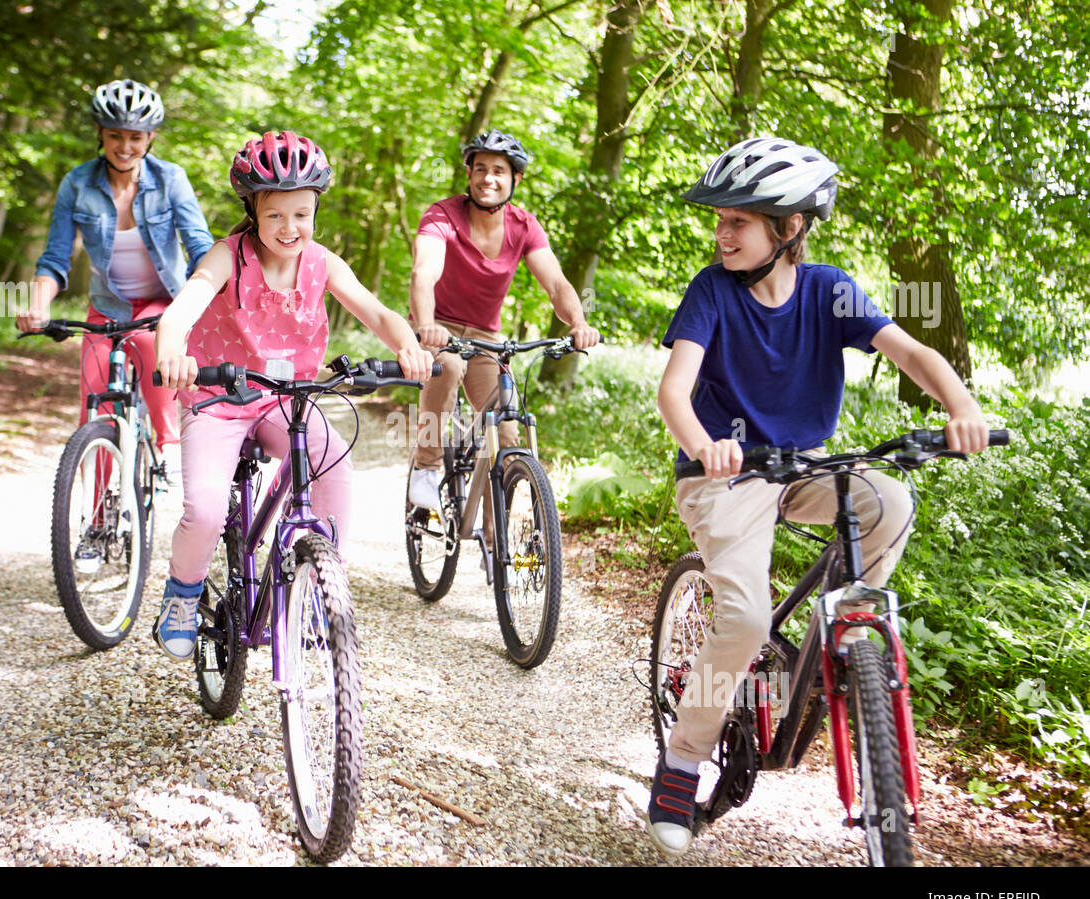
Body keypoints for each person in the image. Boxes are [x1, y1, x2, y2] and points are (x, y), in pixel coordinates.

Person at [648, 136, 992, 857]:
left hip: (801, 464)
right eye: (720, 221)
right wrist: (705, 442)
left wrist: (960, 405)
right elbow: (674, 390)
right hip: (727, 474)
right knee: (741, 624)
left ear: (790, 227)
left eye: (739, 222)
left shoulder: (830, 288)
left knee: (889, 500)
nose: (722, 234)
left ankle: (835, 650)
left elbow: (911, 352)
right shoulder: (713, 290)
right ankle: (682, 761)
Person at [151, 131, 432, 662]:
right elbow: (180, 311)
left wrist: (406, 344)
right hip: (219, 396)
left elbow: (377, 313)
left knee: (333, 465)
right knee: (207, 509)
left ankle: (323, 582)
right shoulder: (226, 256)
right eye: (276, 215)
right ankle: (182, 595)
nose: (289, 228)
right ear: (253, 211)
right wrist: (172, 352)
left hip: (288, 399)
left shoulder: (322, 262)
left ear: (315, 212)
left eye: (301, 214)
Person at [14, 79, 215, 482]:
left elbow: (200, 248)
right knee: (95, 402)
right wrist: (39, 303)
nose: (125, 146)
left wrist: (210, 297)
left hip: (164, 305)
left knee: (151, 347)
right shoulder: (77, 184)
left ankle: (167, 444)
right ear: (100, 135)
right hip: (106, 308)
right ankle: (98, 521)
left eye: (135, 137)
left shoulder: (171, 179)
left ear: (151, 137)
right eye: (115, 136)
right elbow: (54, 258)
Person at [407, 130, 600, 524]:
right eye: (480, 169)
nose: (488, 178)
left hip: (485, 338)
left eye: (499, 170)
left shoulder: (524, 226)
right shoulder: (441, 215)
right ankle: (426, 467)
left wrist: (579, 323)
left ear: (516, 179)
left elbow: (557, 284)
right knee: (448, 367)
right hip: (438, 327)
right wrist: (426, 325)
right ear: (469, 173)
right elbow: (423, 273)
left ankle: (498, 543)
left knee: (507, 432)